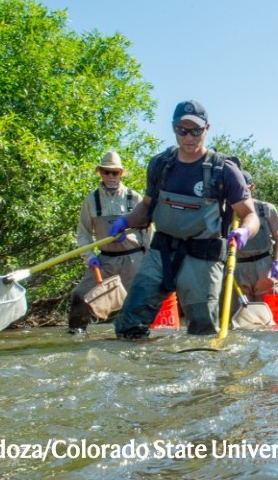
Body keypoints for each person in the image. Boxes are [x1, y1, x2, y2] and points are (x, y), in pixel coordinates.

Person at [107, 100, 259, 338]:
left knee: (203, 329)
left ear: (206, 129)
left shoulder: (224, 170)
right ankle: (139, 371)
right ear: (174, 128)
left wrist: (245, 231)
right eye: (183, 130)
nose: (189, 136)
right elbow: (146, 207)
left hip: (203, 257)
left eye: (196, 130)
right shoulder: (160, 165)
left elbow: (249, 214)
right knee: (129, 321)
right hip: (161, 252)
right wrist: (126, 221)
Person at [66, 151, 152, 334]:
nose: (110, 176)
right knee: (80, 295)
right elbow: (83, 233)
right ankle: (75, 336)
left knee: (135, 303)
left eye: (115, 172)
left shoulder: (134, 197)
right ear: (101, 173)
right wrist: (89, 257)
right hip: (105, 260)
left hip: (134, 258)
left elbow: (147, 231)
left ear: (121, 174)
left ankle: (135, 339)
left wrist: (149, 259)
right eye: (106, 172)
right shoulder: (90, 200)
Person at [234, 170, 278, 300]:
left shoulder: (266, 209)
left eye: (242, 187)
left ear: (251, 187)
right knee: (240, 315)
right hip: (237, 267)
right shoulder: (226, 211)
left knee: (270, 313)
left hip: (264, 265)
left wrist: (277, 262)